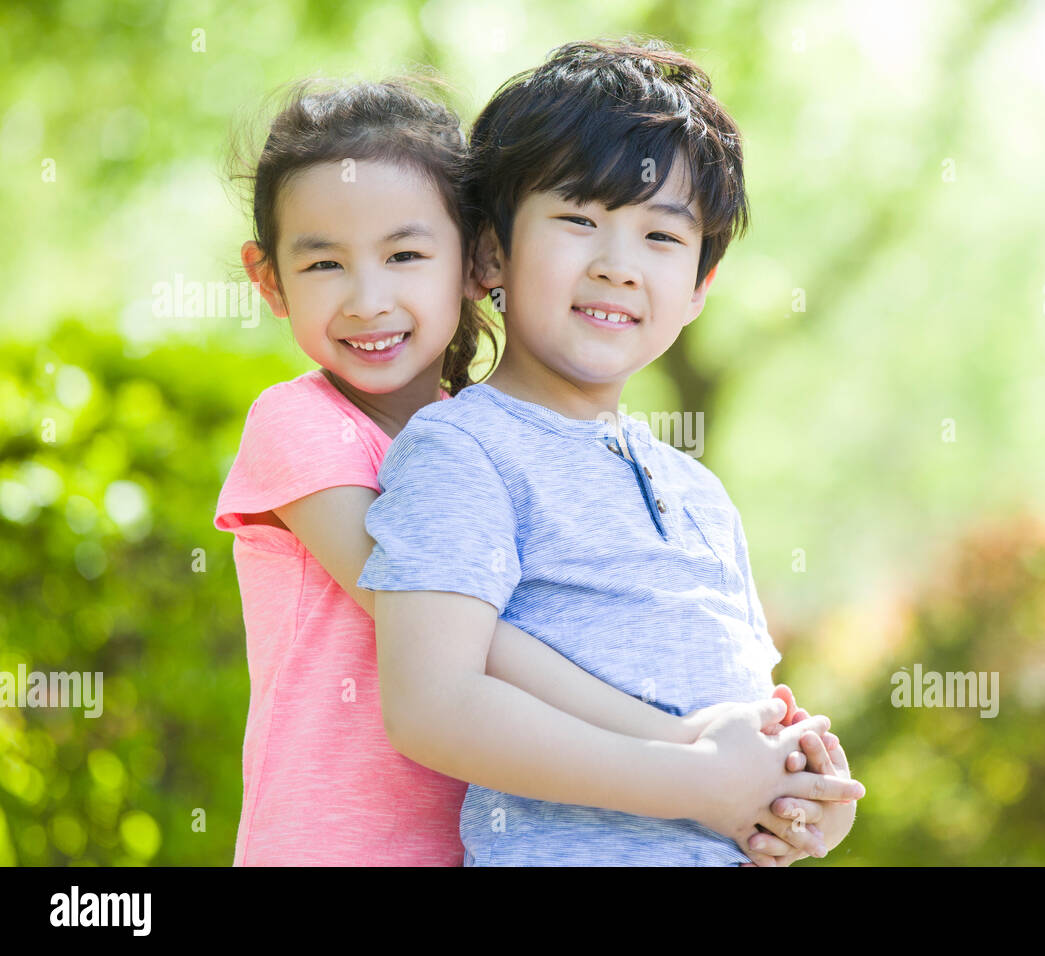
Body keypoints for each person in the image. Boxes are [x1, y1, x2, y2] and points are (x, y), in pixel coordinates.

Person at [215, 71, 843, 866]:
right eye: (324, 264)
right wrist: (690, 755)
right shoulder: (326, 428)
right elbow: (433, 622)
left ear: (466, 258)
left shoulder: (575, 461)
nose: (369, 300)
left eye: (406, 253)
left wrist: (785, 791)